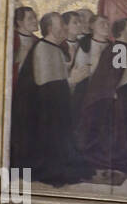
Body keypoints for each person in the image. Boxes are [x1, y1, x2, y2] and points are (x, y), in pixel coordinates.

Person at [9, 12, 95, 186]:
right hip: (38, 115)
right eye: (60, 25)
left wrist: (71, 80)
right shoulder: (42, 47)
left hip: (52, 110)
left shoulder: (54, 48)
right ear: (50, 28)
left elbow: (56, 83)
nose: (64, 28)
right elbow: (45, 87)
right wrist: (72, 80)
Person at [75, 18, 127, 177]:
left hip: (119, 101)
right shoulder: (119, 48)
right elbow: (115, 78)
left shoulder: (122, 48)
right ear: (123, 31)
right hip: (116, 104)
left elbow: (122, 79)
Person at [11, 6, 38, 88]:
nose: (35, 21)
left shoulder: (38, 41)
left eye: (35, 17)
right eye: (30, 18)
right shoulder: (10, 39)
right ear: (20, 22)